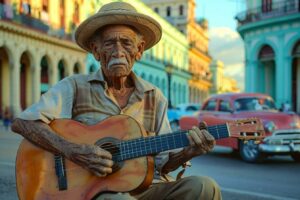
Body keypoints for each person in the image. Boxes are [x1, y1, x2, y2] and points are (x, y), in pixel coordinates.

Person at [11, 2, 221, 200]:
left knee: (204, 187)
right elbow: (24, 123)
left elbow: (163, 165)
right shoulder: (75, 86)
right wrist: (72, 151)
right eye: (110, 43)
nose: (118, 51)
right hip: (95, 193)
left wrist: (188, 152)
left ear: (139, 50)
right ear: (96, 51)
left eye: (126, 43)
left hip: (145, 188)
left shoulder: (154, 96)